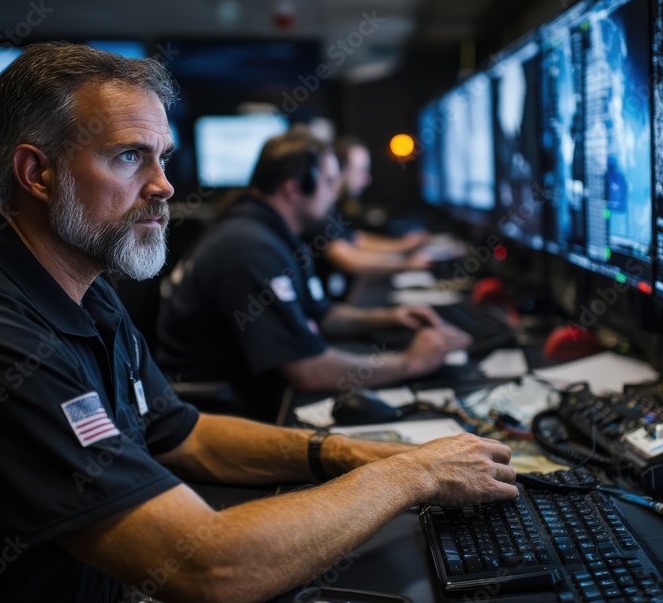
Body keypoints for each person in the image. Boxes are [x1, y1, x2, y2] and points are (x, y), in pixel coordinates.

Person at [0, 42, 518, 602]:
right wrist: (411, 474)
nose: (164, 186)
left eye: (163, 157)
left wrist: (359, 454)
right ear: (37, 174)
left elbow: (183, 433)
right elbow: (209, 568)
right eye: (130, 157)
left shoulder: (85, 291)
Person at [155, 128, 472, 421]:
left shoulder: (271, 233)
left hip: (255, 393)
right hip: (226, 415)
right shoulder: (250, 247)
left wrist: (391, 316)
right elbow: (309, 371)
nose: (336, 193)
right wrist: (411, 362)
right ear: (295, 186)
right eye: (330, 181)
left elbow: (320, 315)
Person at [311, 136, 434, 298]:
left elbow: (355, 239)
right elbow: (346, 257)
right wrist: (404, 263)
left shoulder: (335, 207)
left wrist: (402, 246)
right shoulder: (319, 208)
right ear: (339, 170)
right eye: (361, 170)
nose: (366, 180)